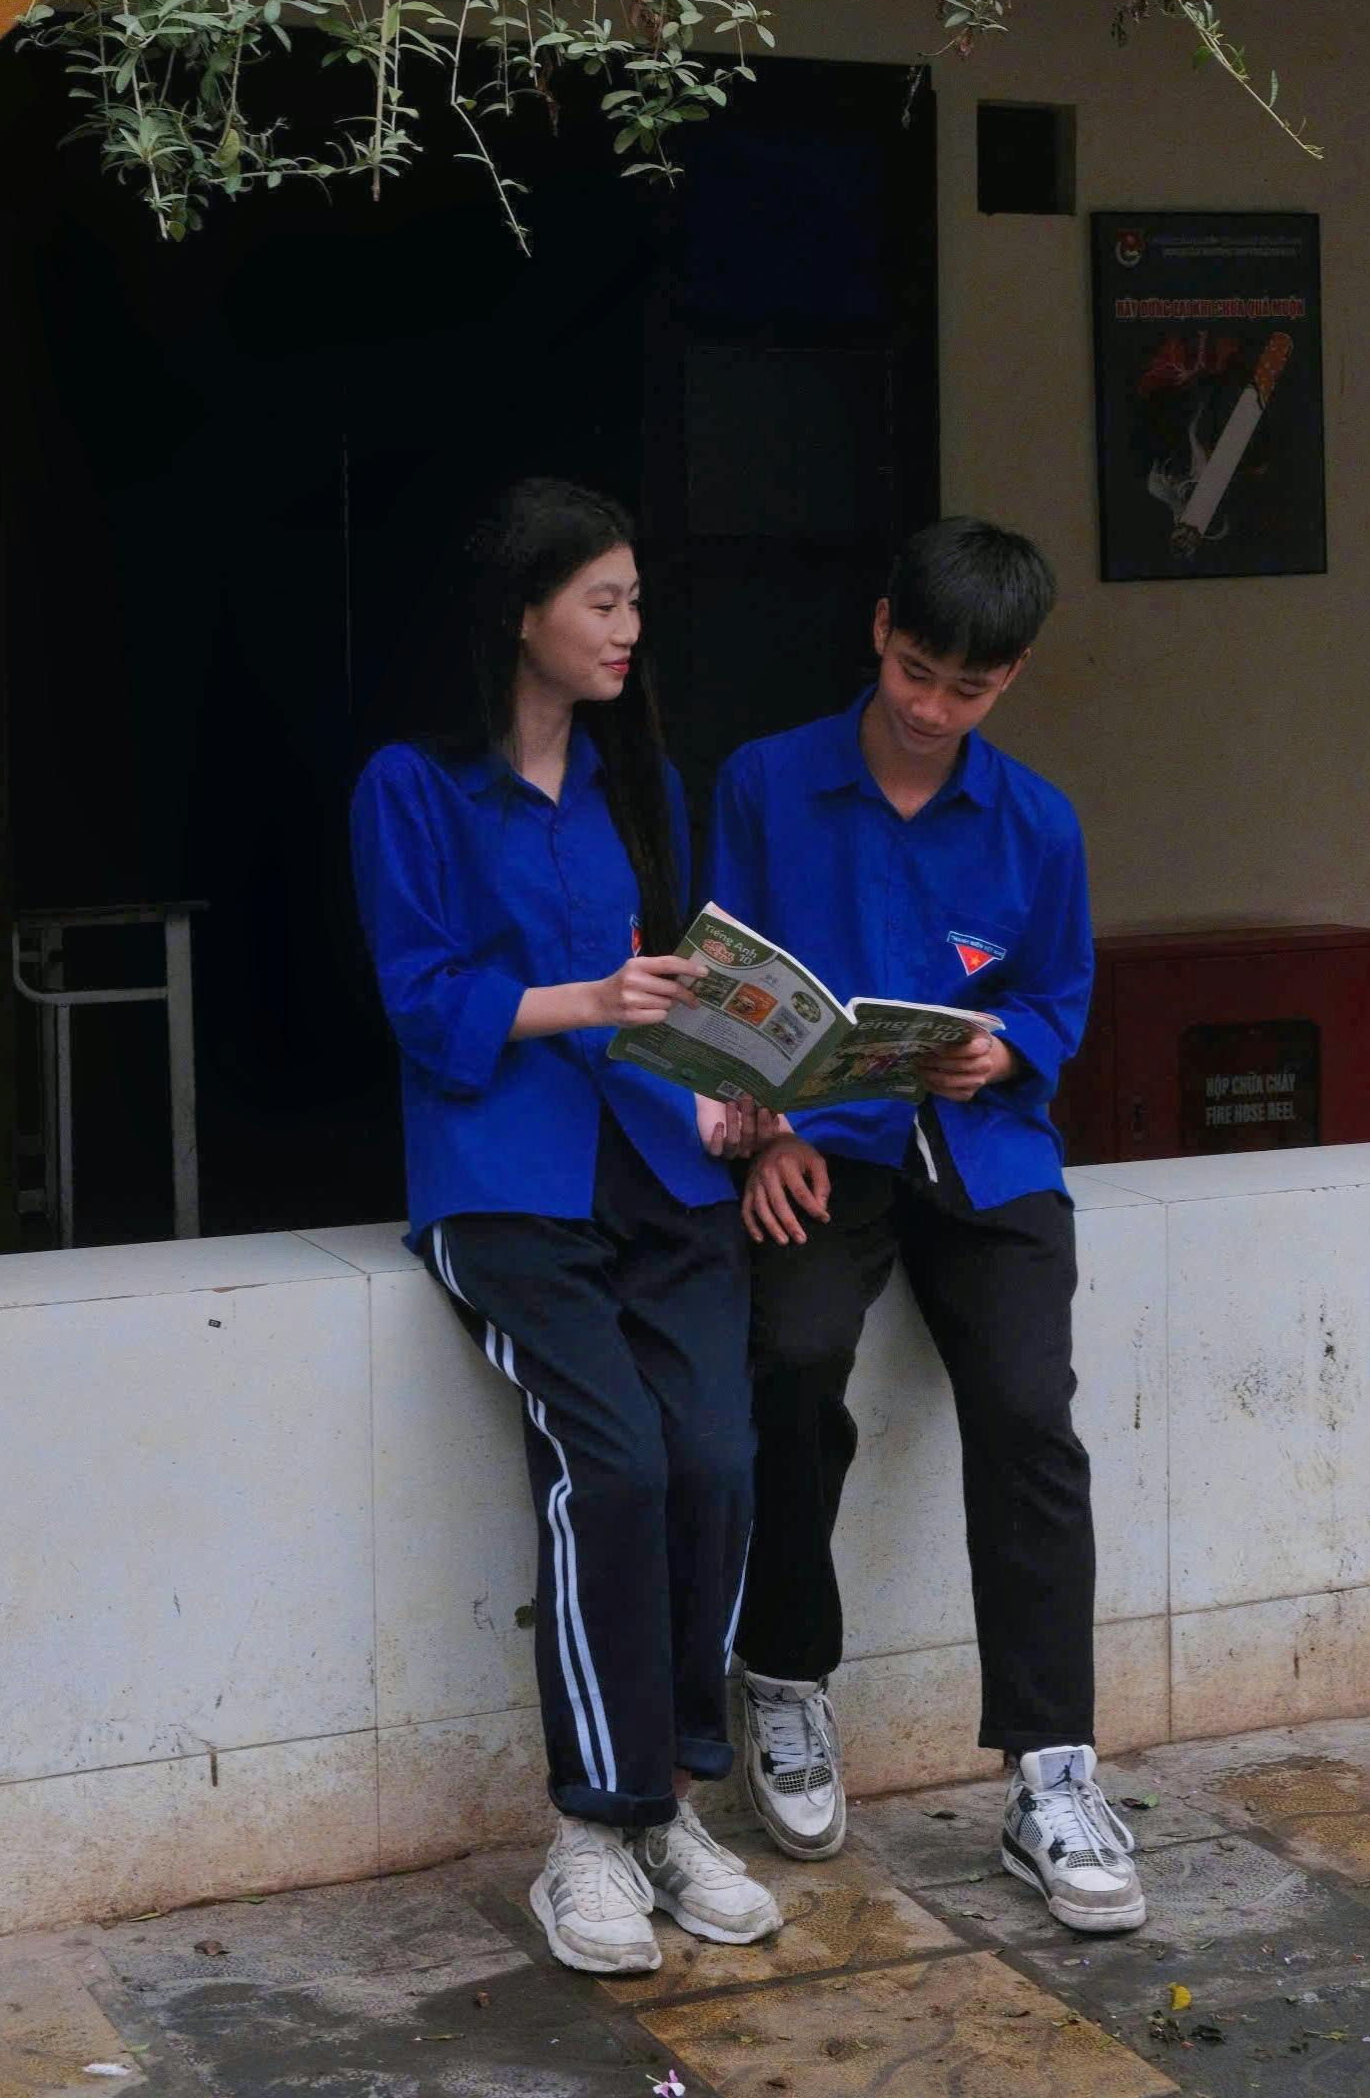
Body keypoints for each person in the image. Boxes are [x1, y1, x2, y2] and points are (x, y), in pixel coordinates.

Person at [351, 479, 780, 1977]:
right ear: (522, 615)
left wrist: (735, 1102)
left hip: (663, 1169)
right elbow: (422, 999)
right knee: (614, 1463)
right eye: (601, 601)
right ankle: (595, 1831)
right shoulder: (413, 784)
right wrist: (590, 1001)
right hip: (505, 1183)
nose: (626, 628)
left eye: (636, 602)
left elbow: (690, 987)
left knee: (718, 1459)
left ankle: (672, 1812)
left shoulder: (643, 780)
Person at [705, 517, 1146, 1936]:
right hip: (818, 1151)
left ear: (1009, 682)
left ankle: (1054, 1769)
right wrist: (758, 1134)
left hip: (984, 1153)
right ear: (880, 626)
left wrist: (1002, 1051)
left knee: (1029, 1414)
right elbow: (721, 990)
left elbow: (1058, 992)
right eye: (913, 668)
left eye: (965, 688)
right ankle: (783, 1675)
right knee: (790, 1361)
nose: (928, 706)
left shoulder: (1038, 822)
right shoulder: (767, 784)